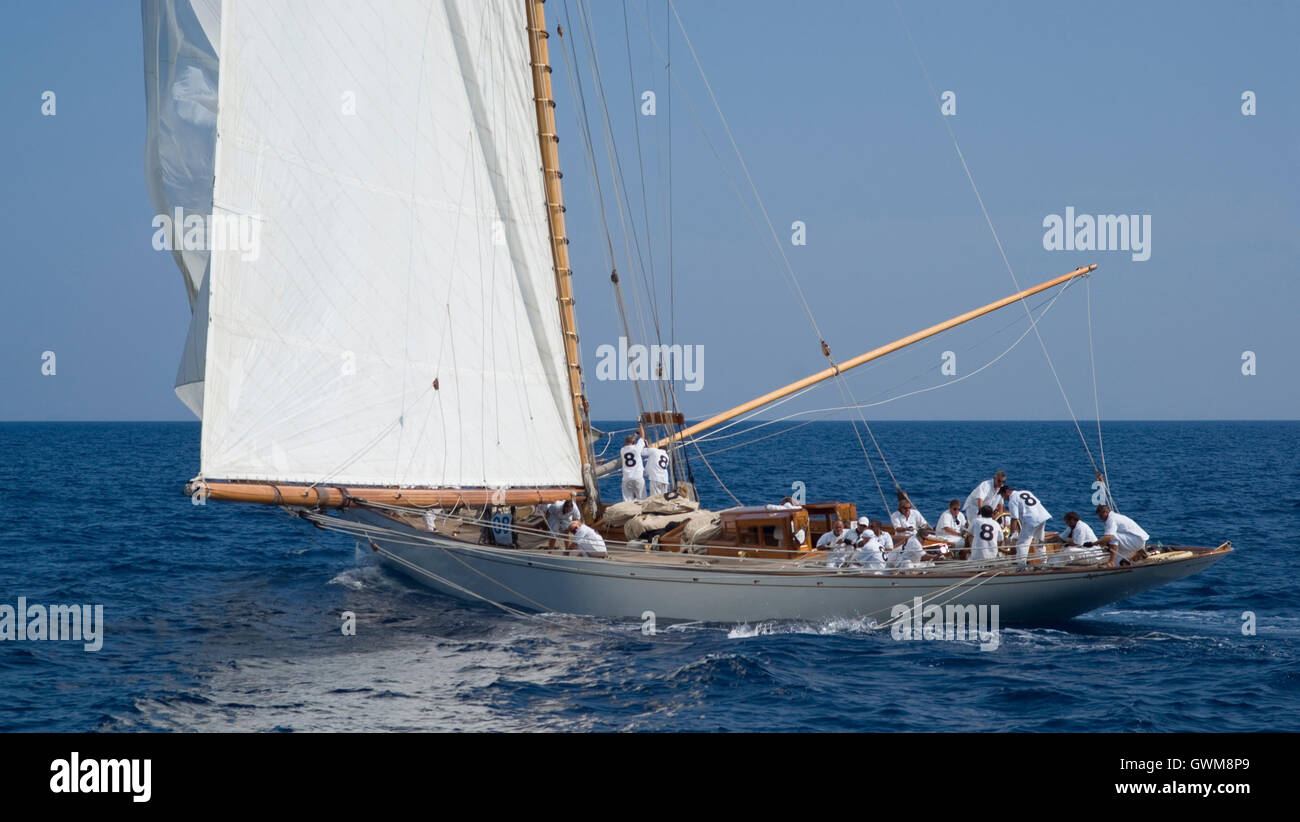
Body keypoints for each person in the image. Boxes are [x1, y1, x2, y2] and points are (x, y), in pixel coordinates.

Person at [998, 485, 1052, 566]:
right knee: (1039, 541)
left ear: (1006, 492)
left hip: (1030, 519)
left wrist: (1011, 534)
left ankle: (1022, 566)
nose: (1004, 499)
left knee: (1022, 544)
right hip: (1042, 516)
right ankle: (1043, 563)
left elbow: (1014, 518)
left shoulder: (1012, 500)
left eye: (1003, 496)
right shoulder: (1025, 492)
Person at [619, 430, 647, 502]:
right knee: (642, 499)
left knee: (627, 501)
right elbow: (642, 437)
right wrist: (640, 424)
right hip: (637, 477)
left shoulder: (622, 450)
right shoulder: (637, 448)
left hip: (627, 478)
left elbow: (629, 444)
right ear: (634, 442)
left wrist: (635, 435)